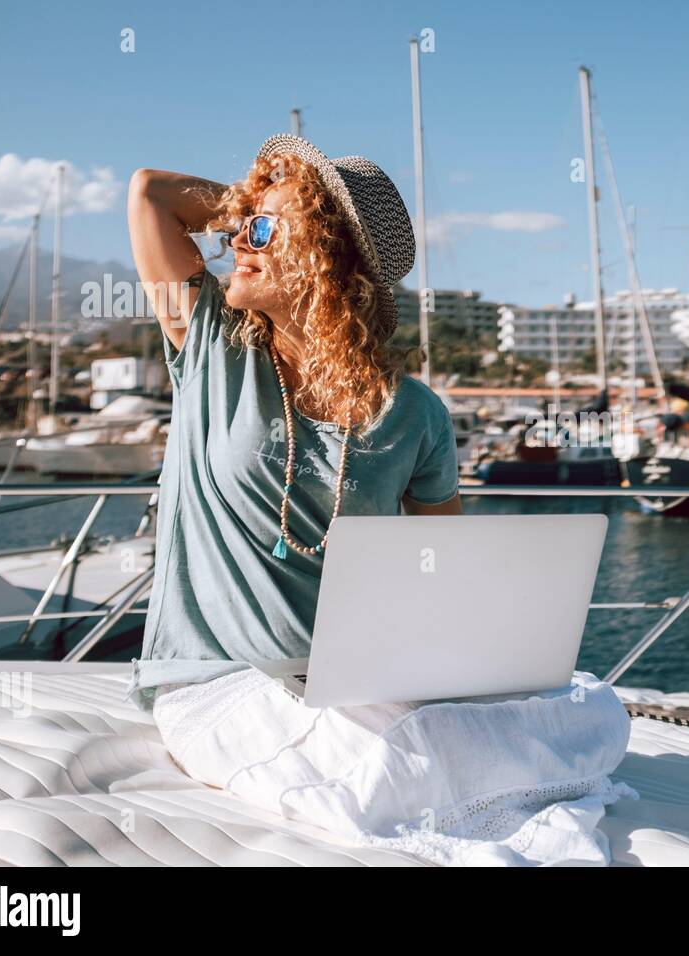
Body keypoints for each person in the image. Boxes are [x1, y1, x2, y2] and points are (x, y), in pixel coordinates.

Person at [126, 134, 461, 707]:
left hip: (360, 687)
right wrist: (260, 203)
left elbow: (447, 569)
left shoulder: (413, 413)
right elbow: (151, 194)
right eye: (241, 226)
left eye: (260, 232)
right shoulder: (211, 343)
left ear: (324, 256)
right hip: (214, 689)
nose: (236, 241)